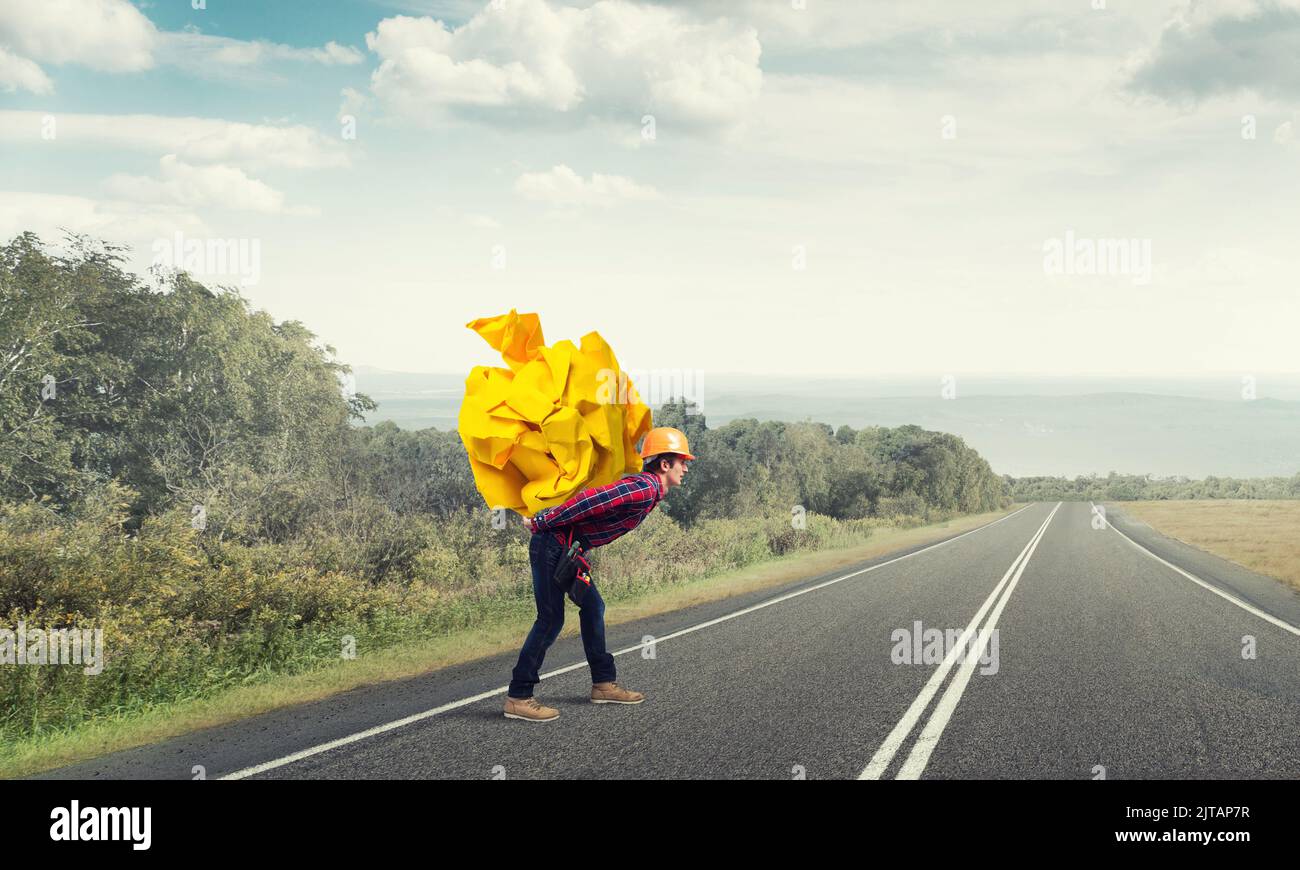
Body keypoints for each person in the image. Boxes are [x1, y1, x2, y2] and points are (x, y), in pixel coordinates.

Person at [503, 427, 695, 722]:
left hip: (567, 549)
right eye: (682, 461)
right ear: (665, 464)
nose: (686, 467)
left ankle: (603, 684)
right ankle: (519, 696)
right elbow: (592, 500)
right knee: (551, 619)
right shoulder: (644, 488)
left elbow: (595, 516)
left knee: (594, 607)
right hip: (552, 544)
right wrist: (543, 521)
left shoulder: (650, 491)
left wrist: (579, 550)